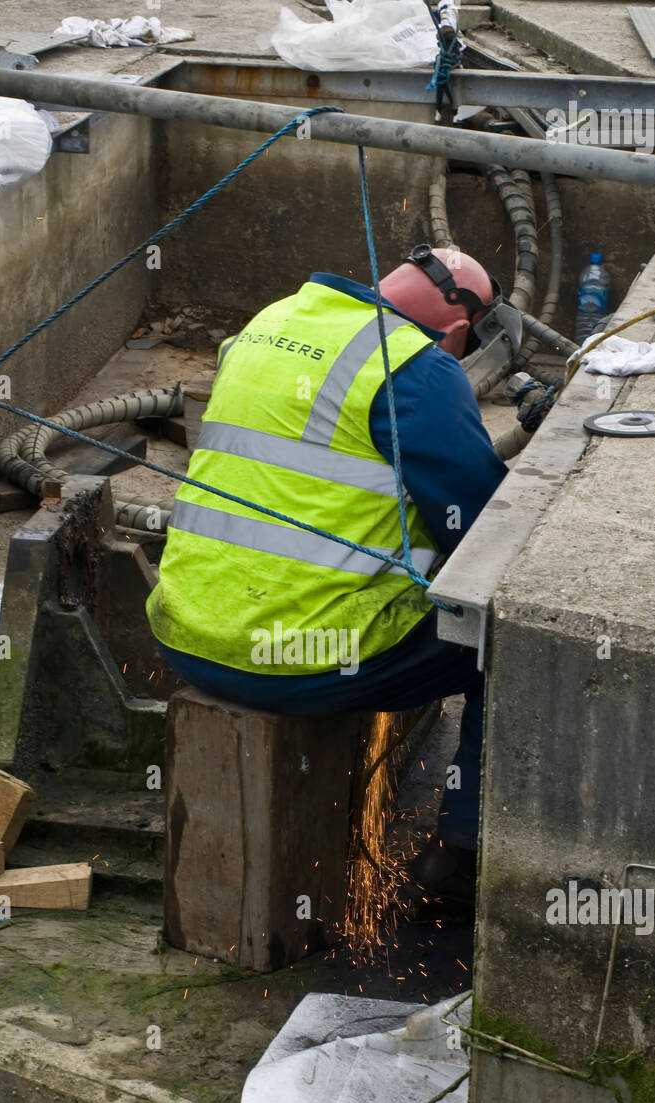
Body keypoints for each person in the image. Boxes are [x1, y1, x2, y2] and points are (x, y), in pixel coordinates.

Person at [146, 246, 507, 914]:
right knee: (513, 643)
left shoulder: (268, 323)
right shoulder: (418, 369)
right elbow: (483, 536)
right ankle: (460, 857)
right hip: (293, 662)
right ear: (459, 326)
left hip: (185, 629)